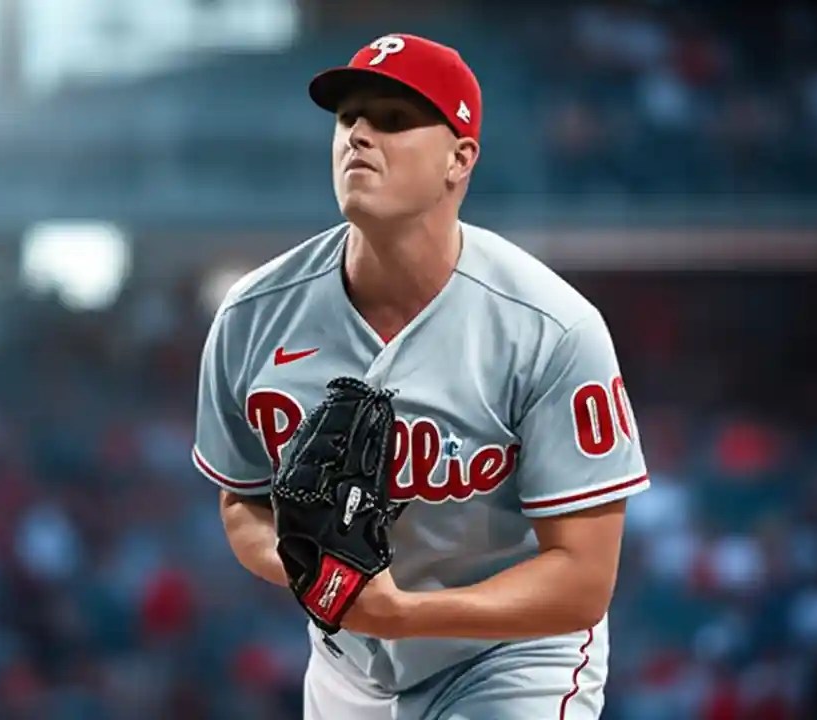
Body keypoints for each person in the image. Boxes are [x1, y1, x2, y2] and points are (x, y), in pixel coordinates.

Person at [192, 33, 649, 719]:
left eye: (395, 119)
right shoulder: (254, 314)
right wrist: (310, 572)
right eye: (350, 119)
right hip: (350, 668)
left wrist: (403, 612)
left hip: (510, 656)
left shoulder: (550, 327)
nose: (360, 137)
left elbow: (584, 579)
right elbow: (241, 503)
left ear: (459, 159)